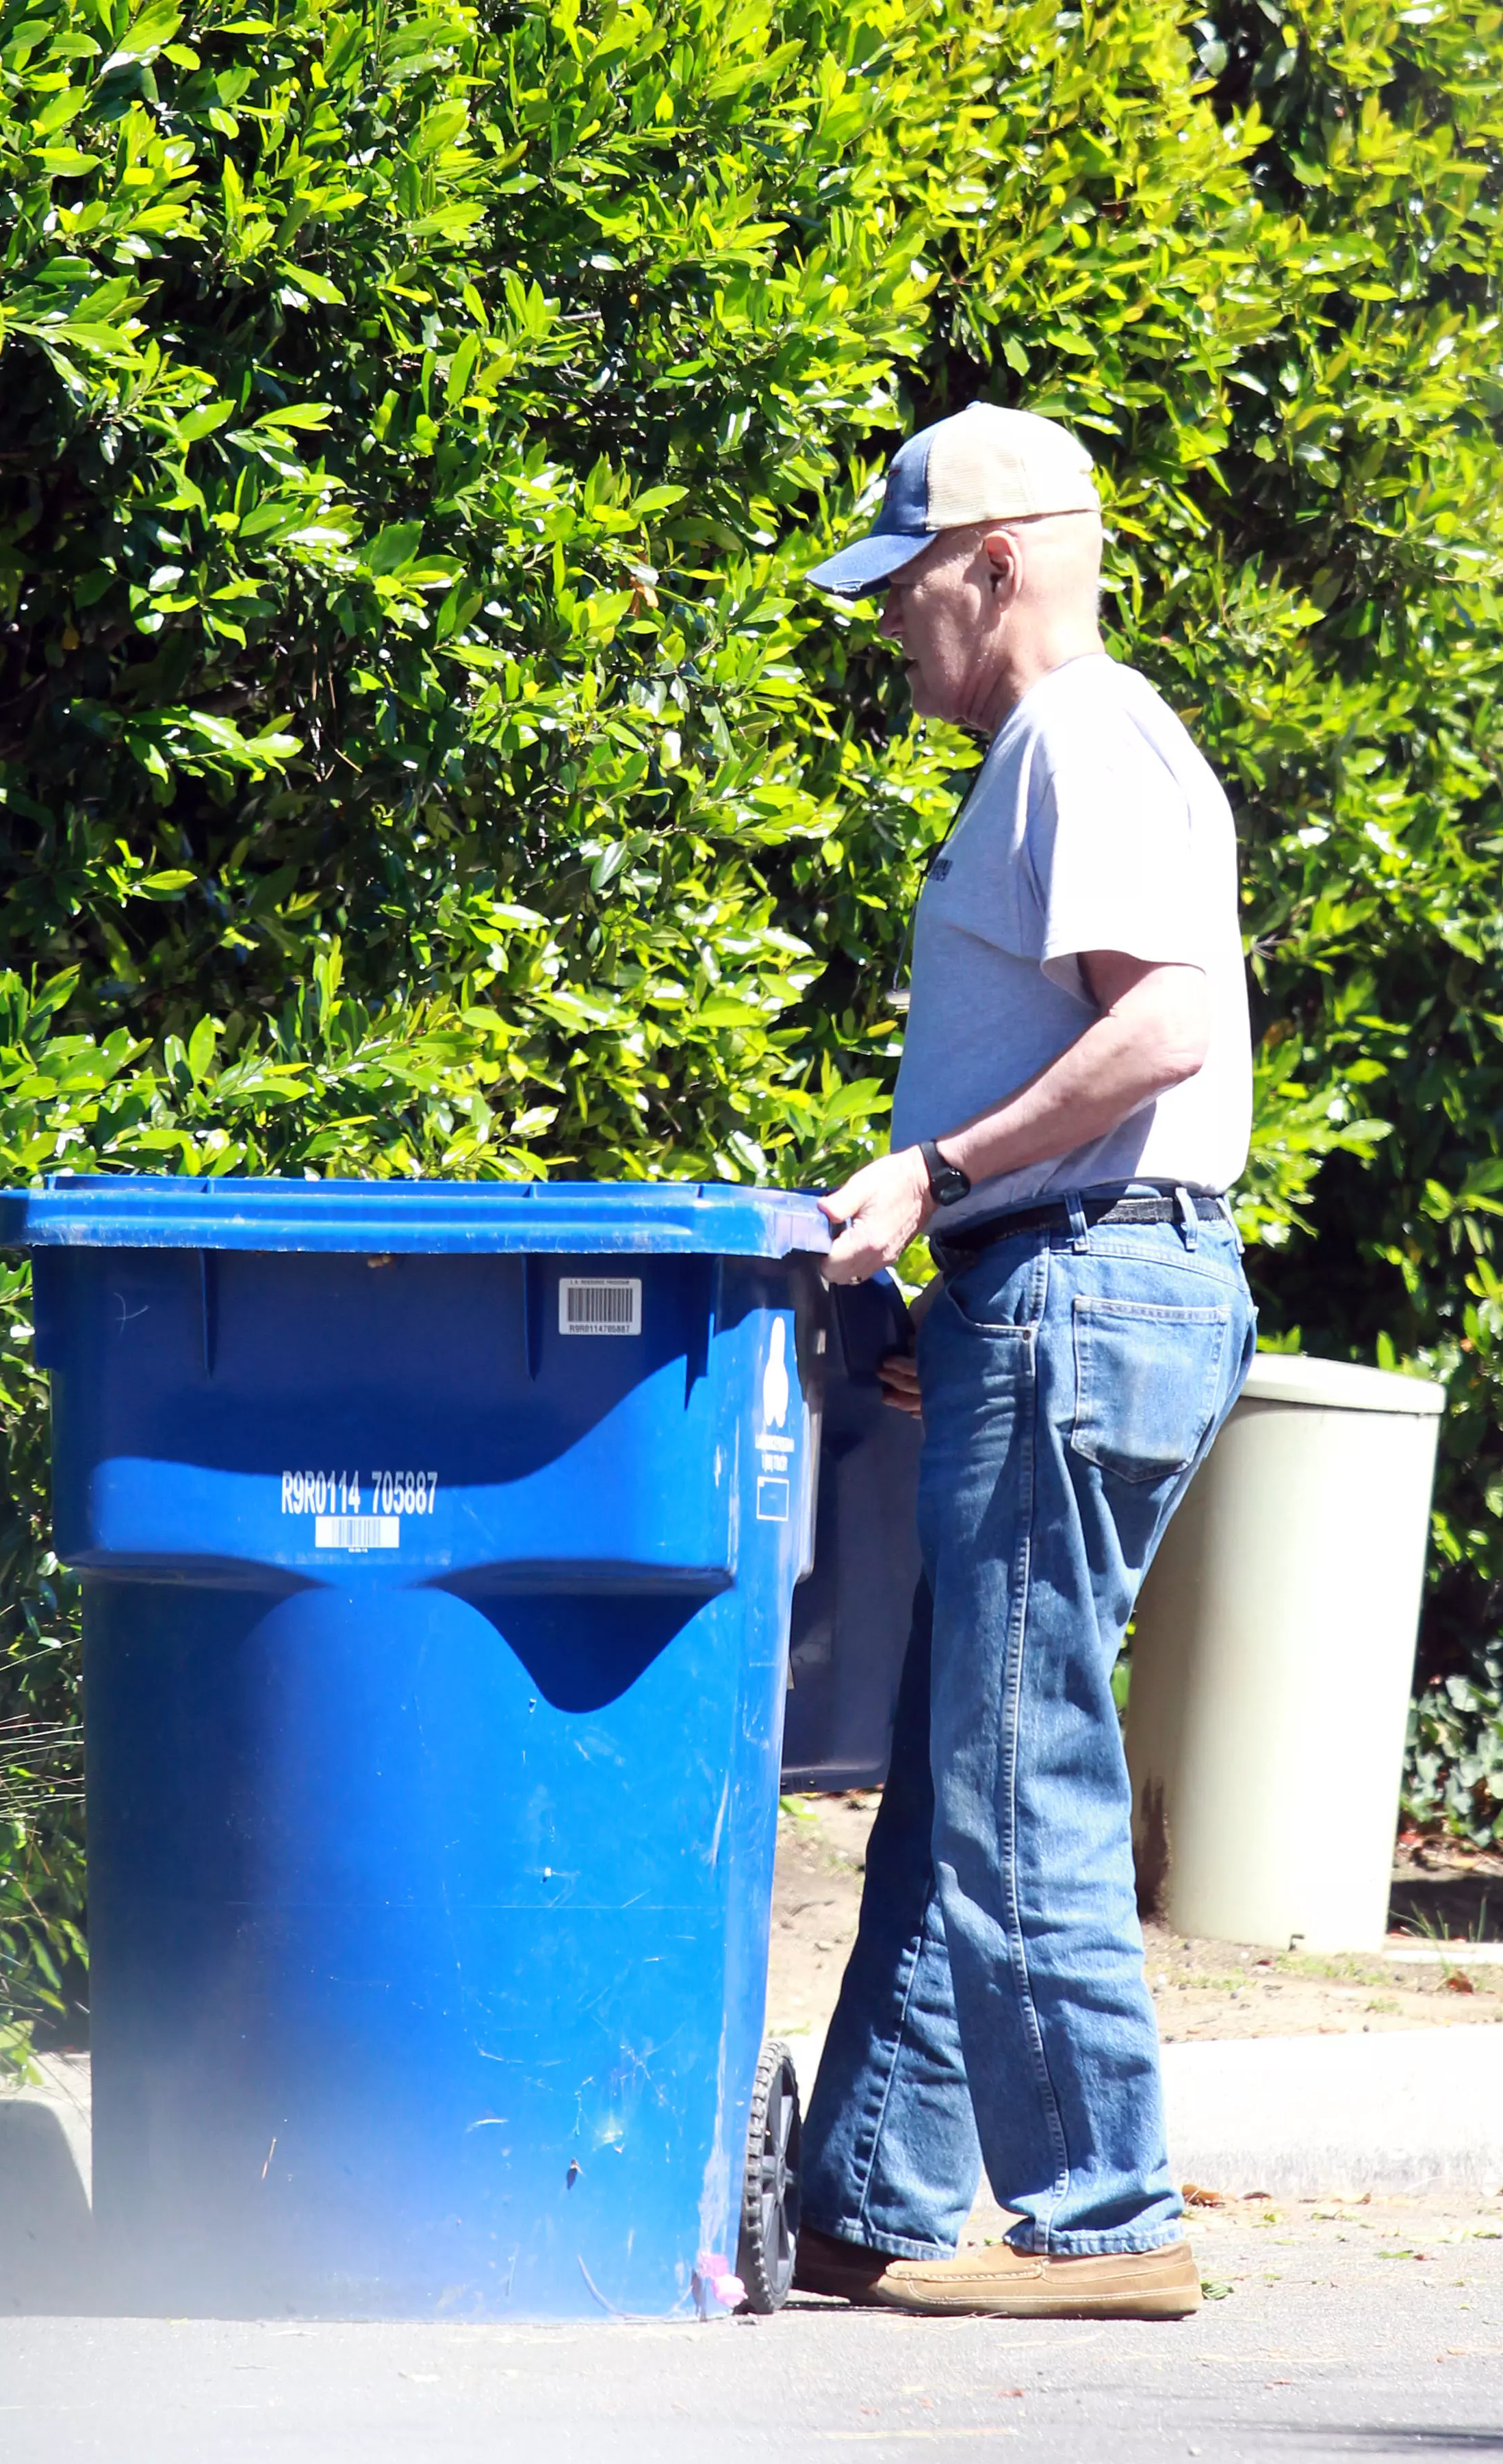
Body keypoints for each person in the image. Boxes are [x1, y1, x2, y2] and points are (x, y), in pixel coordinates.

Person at [794, 402, 1257, 2320]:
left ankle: (1105, 2220)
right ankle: (872, 2203)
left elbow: (1158, 1031)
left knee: (1014, 1773)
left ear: (995, 566)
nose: (893, 628)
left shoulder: (1073, 731)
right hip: (1061, 1289)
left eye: (905, 589)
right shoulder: (1082, 743)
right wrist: (980, 1265)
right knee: (964, 1761)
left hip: (1078, 1281)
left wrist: (942, 1178)